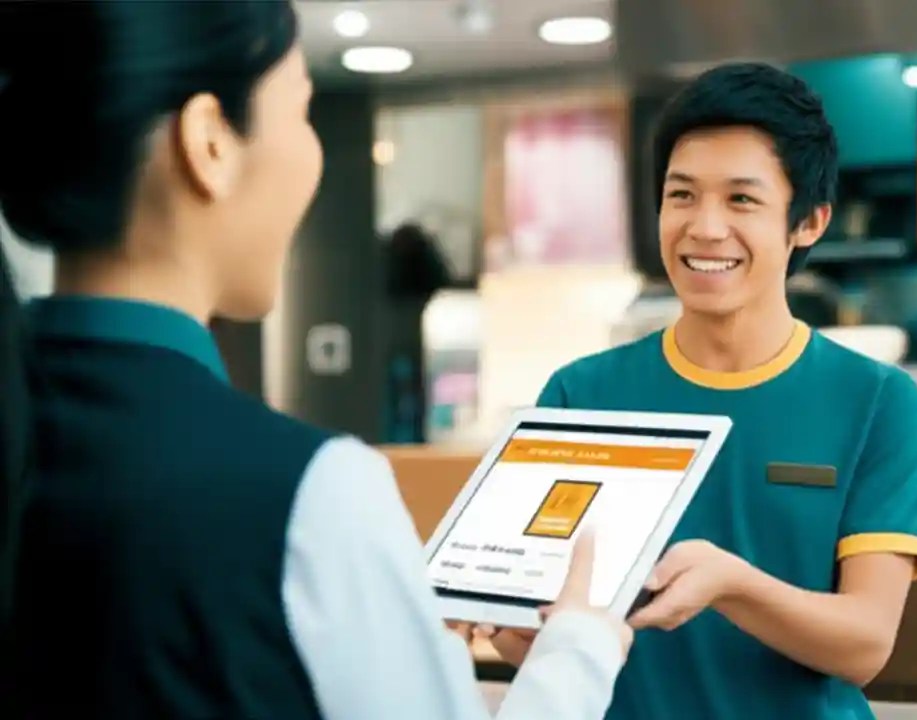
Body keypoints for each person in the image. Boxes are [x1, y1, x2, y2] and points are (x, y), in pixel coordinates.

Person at [0, 2, 629, 718]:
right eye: (301, 111)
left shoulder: (31, 424)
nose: (311, 155)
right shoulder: (310, 492)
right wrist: (578, 647)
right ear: (209, 142)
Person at [482, 63, 917, 719]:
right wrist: (512, 622)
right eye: (683, 195)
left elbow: (865, 643)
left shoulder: (877, 401)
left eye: (741, 200)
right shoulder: (580, 393)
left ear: (808, 222)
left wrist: (732, 585)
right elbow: (527, 635)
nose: (704, 227)